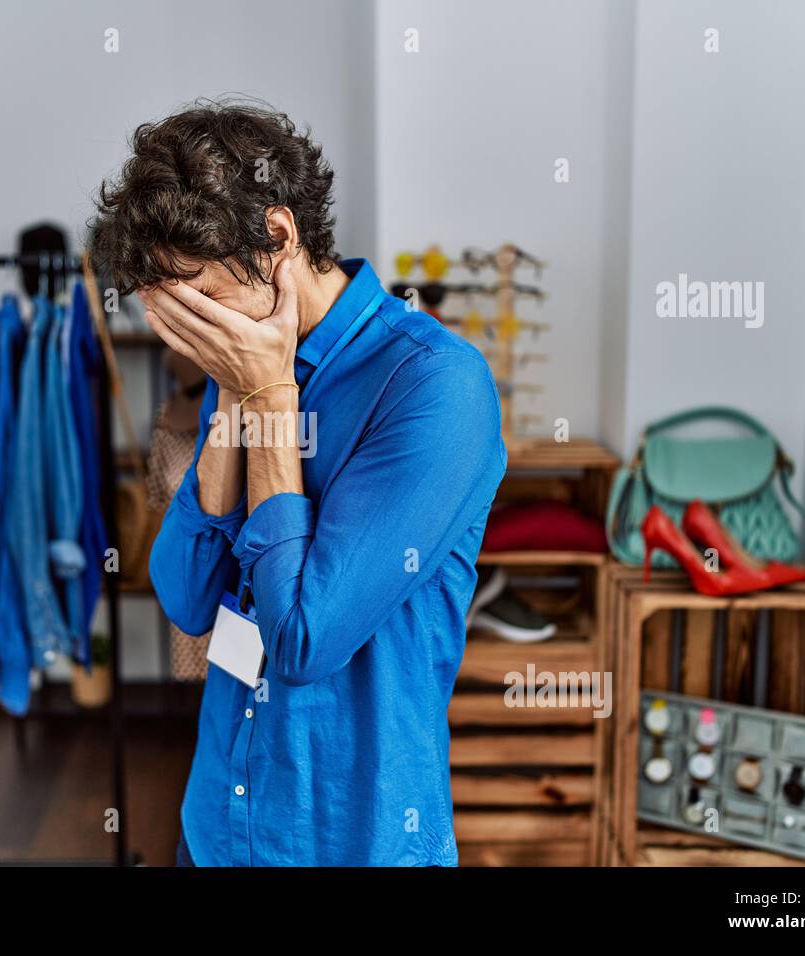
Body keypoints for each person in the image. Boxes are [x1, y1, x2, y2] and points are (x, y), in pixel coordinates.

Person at [90, 100, 506, 866]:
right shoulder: (239, 352)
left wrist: (273, 397)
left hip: (350, 839)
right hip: (217, 825)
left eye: (199, 299)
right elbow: (184, 598)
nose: (188, 333)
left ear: (277, 237)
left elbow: (302, 640)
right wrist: (233, 398)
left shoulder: (435, 384)